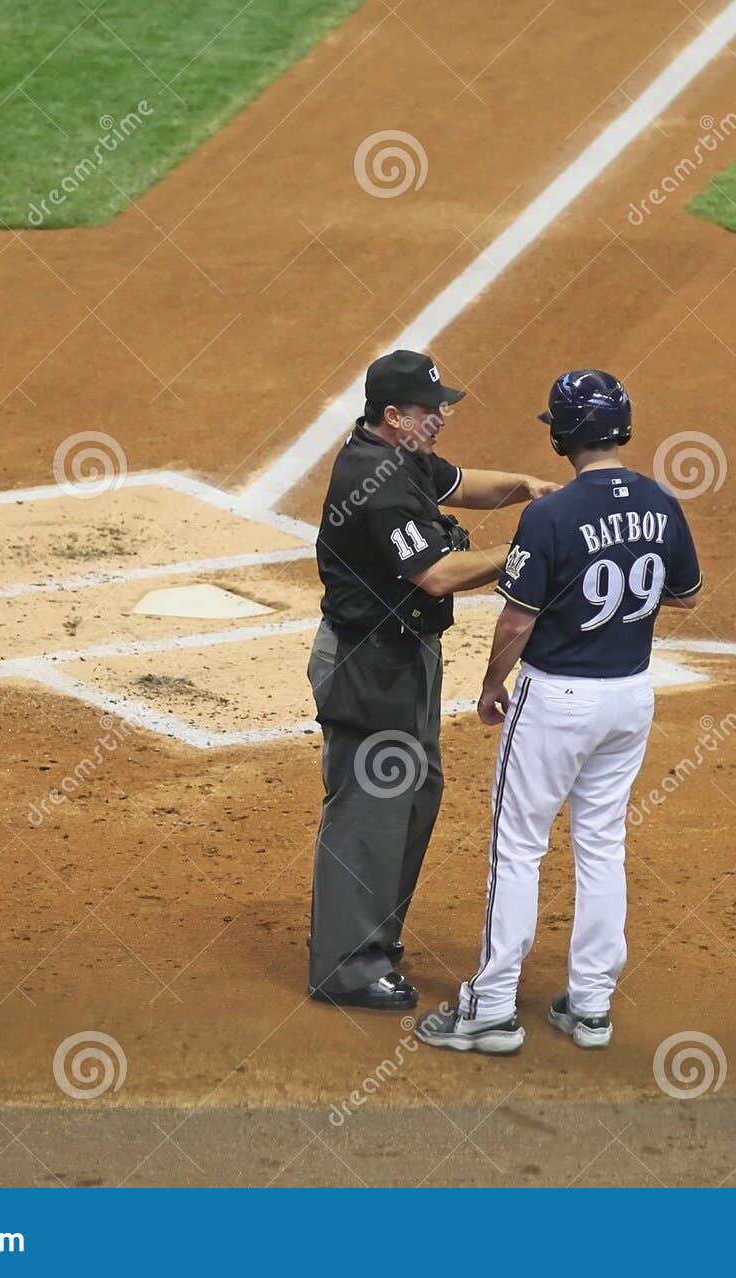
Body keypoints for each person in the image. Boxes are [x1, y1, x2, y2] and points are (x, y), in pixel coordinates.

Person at [416, 370, 701, 1054]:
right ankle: (592, 1005)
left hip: (558, 701)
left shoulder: (550, 515)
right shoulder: (662, 501)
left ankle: (488, 1007)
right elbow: (686, 594)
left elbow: (516, 623)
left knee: (517, 847)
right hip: (629, 697)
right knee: (602, 842)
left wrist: (490, 682)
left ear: (566, 436)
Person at [307, 349, 559, 1012]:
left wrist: (531, 488)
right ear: (393, 416)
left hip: (405, 660)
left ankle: (374, 943)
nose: (442, 416)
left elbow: (463, 483)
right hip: (368, 665)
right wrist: (528, 551)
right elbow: (438, 575)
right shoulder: (376, 477)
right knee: (371, 804)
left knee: (412, 795)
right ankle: (346, 965)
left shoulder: (400, 454)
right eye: (430, 408)